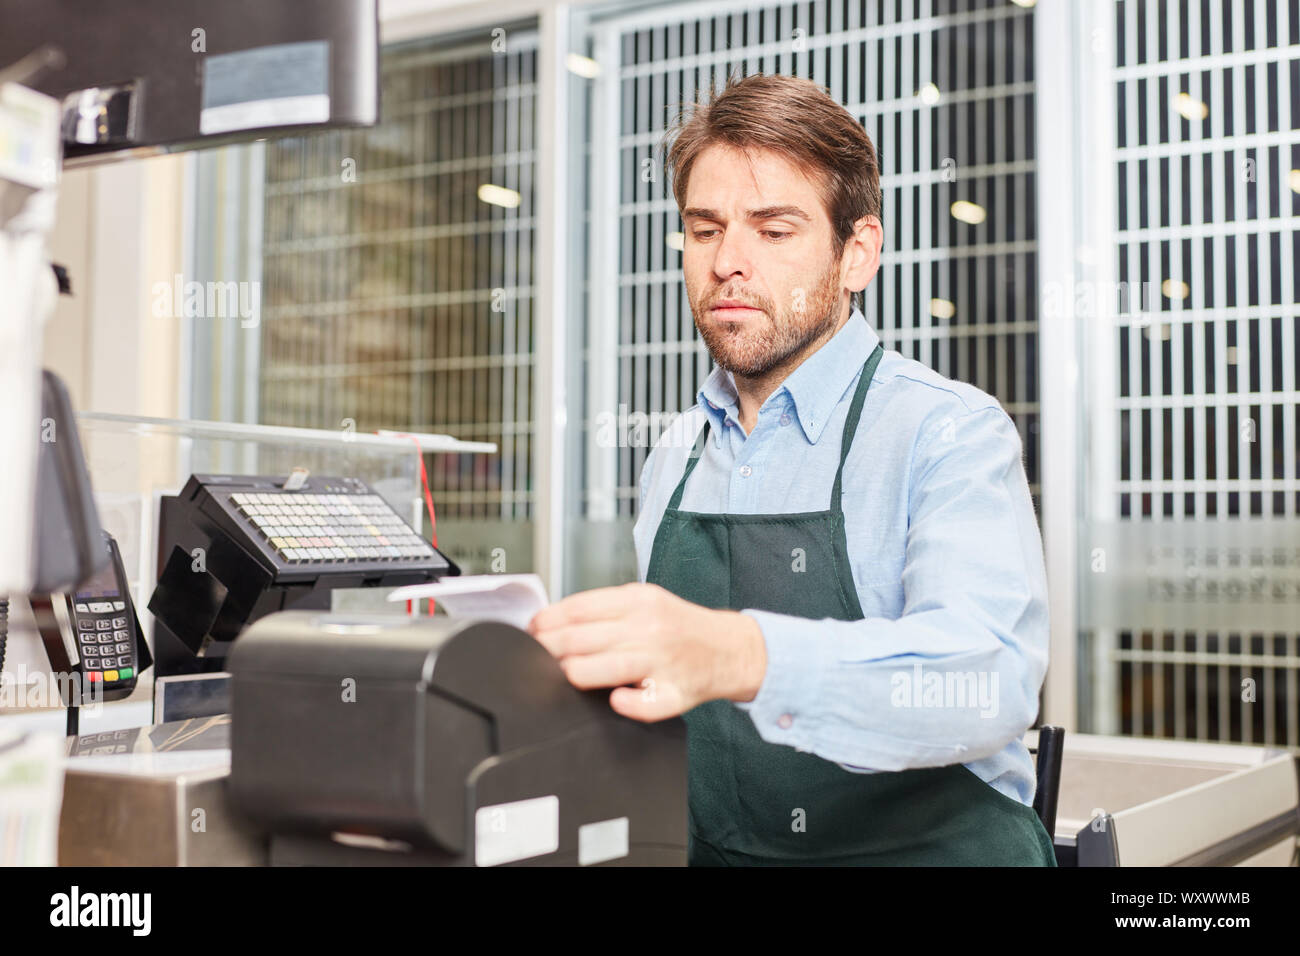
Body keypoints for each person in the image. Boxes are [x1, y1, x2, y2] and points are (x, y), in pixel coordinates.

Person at [528, 72, 1056, 866]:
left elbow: (988, 683)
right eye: (704, 230)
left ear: (857, 254)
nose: (728, 263)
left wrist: (737, 655)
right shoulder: (675, 454)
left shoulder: (947, 432)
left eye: (774, 231)